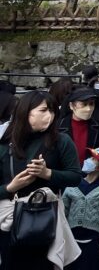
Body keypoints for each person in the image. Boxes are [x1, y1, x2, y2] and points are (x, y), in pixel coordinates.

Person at [0, 91, 83, 269]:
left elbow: (76, 176)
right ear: (26, 111)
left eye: (53, 111)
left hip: (45, 219)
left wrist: (48, 174)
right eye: (44, 110)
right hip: (9, 220)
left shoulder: (61, 141)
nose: (50, 116)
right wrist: (11, 187)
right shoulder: (5, 144)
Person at [62, 146, 99, 270]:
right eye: (90, 157)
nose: (88, 160)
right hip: (71, 240)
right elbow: (63, 211)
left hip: (94, 242)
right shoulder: (73, 183)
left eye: (94, 159)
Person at [59, 86, 99, 164]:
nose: (88, 108)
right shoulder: (59, 126)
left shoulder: (98, 126)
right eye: (84, 104)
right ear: (71, 106)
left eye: (91, 104)